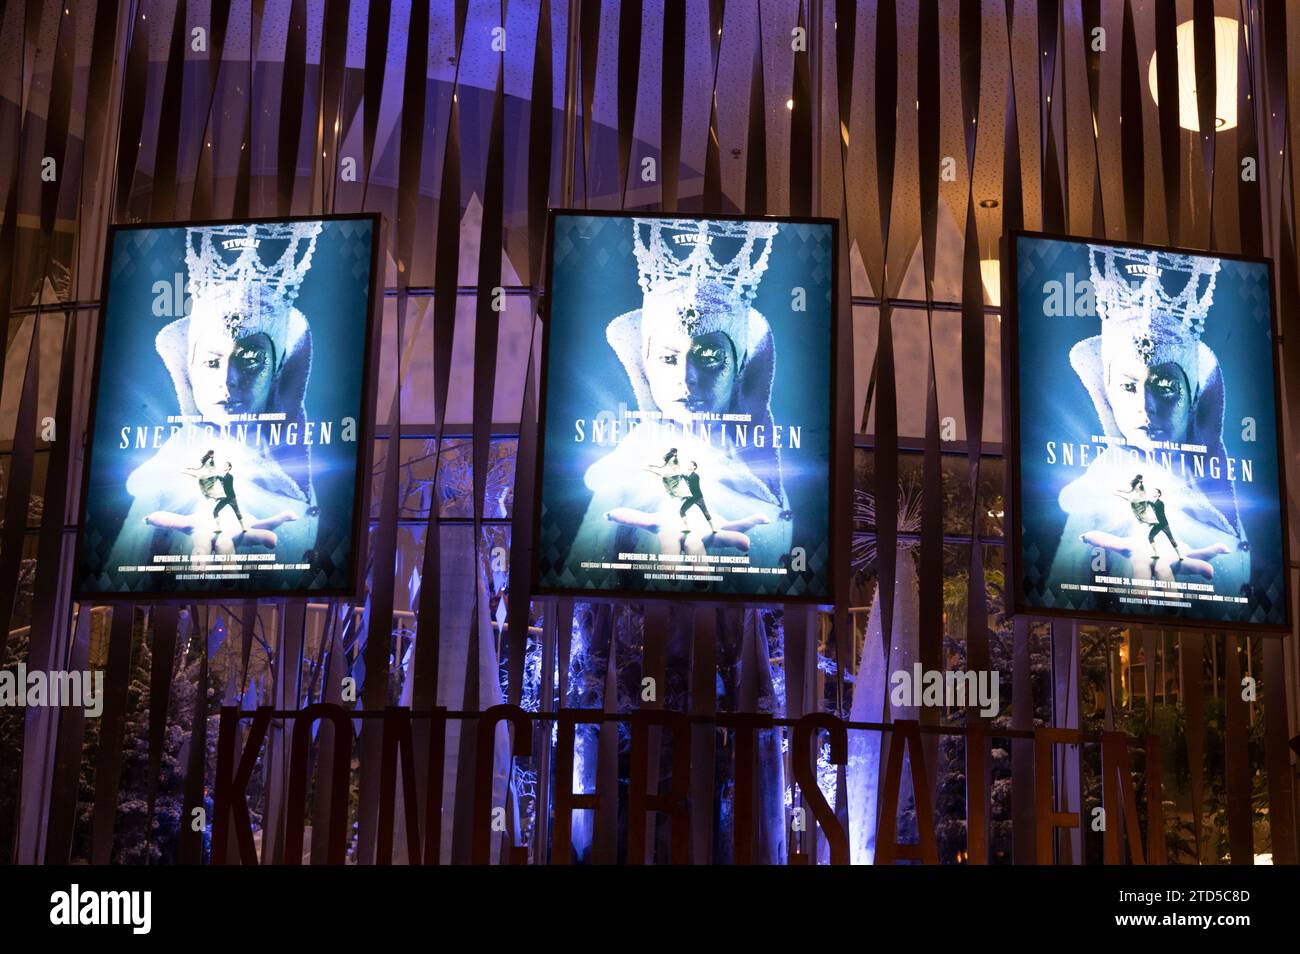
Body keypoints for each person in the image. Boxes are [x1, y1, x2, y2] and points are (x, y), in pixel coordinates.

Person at [564, 219, 789, 586]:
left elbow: (770, 575)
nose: (686, 378)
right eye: (669, 358)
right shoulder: (626, 465)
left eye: (709, 356)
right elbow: (584, 577)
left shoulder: (758, 482)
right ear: (645, 366)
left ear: (740, 369)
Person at [103, 222, 323, 581]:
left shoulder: (291, 477)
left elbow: (296, 561)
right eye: (211, 361)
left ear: (279, 373)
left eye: (250, 359)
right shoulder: (168, 462)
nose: (226, 381)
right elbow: (116, 581)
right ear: (187, 368)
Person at [1044, 245, 1245, 605]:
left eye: (1165, 387)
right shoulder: (1098, 485)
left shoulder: (1219, 491)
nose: (1144, 407)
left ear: (1195, 396)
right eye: (1127, 385)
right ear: (1106, 391)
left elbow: (1242, 593)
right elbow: (1057, 599)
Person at [678, 461, 717, 534]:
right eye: (688, 464)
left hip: (698, 497)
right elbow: (686, 487)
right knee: (682, 511)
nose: (688, 465)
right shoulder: (688, 476)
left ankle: (713, 529)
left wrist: (683, 476)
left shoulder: (695, 476)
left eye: (690, 464)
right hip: (691, 498)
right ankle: (687, 528)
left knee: (705, 512)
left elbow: (691, 482)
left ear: (694, 467)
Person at [212, 462, 248, 532]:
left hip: (231, 498)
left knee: (237, 512)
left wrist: (217, 476)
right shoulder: (222, 476)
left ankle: (243, 528)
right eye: (224, 465)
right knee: (215, 512)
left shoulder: (230, 476)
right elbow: (219, 487)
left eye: (226, 465)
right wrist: (217, 497)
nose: (224, 466)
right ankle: (219, 528)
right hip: (225, 498)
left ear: (229, 467)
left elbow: (225, 481)